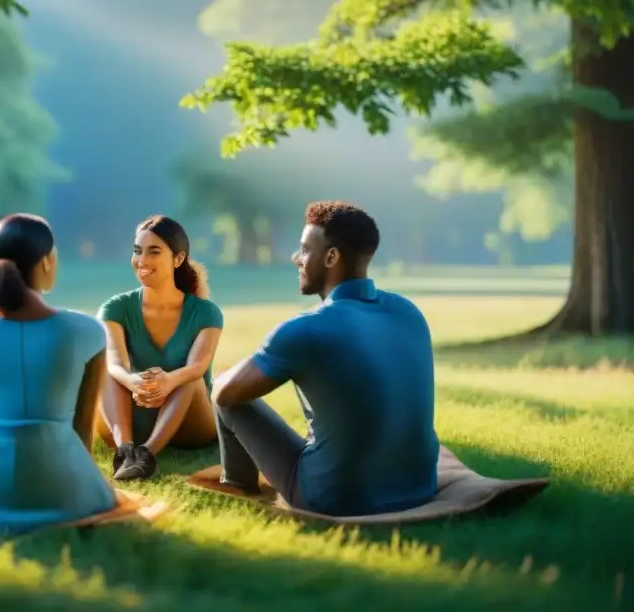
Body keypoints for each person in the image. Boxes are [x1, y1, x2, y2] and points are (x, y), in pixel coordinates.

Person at [211, 201, 440, 517]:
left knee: (225, 388)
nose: (296, 259)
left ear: (331, 257)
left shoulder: (303, 330)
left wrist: (229, 372)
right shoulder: (408, 312)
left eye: (305, 250)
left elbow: (226, 395)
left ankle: (238, 484)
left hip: (333, 497)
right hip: (420, 488)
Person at [0, 213, 118, 536]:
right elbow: (83, 427)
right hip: (67, 495)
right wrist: (81, 481)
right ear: (46, 262)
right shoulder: (86, 331)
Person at [97, 215, 224, 481]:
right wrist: (133, 382)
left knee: (189, 378)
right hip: (133, 414)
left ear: (177, 259)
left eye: (154, 251)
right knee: (106, 373)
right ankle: (126, 450)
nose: (142, 261)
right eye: (137, 251)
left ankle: (147, 456)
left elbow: (198, 367)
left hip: (191, 422)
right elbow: (115, 362)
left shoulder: (206, 313)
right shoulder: (115, 308)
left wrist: (168, 381)